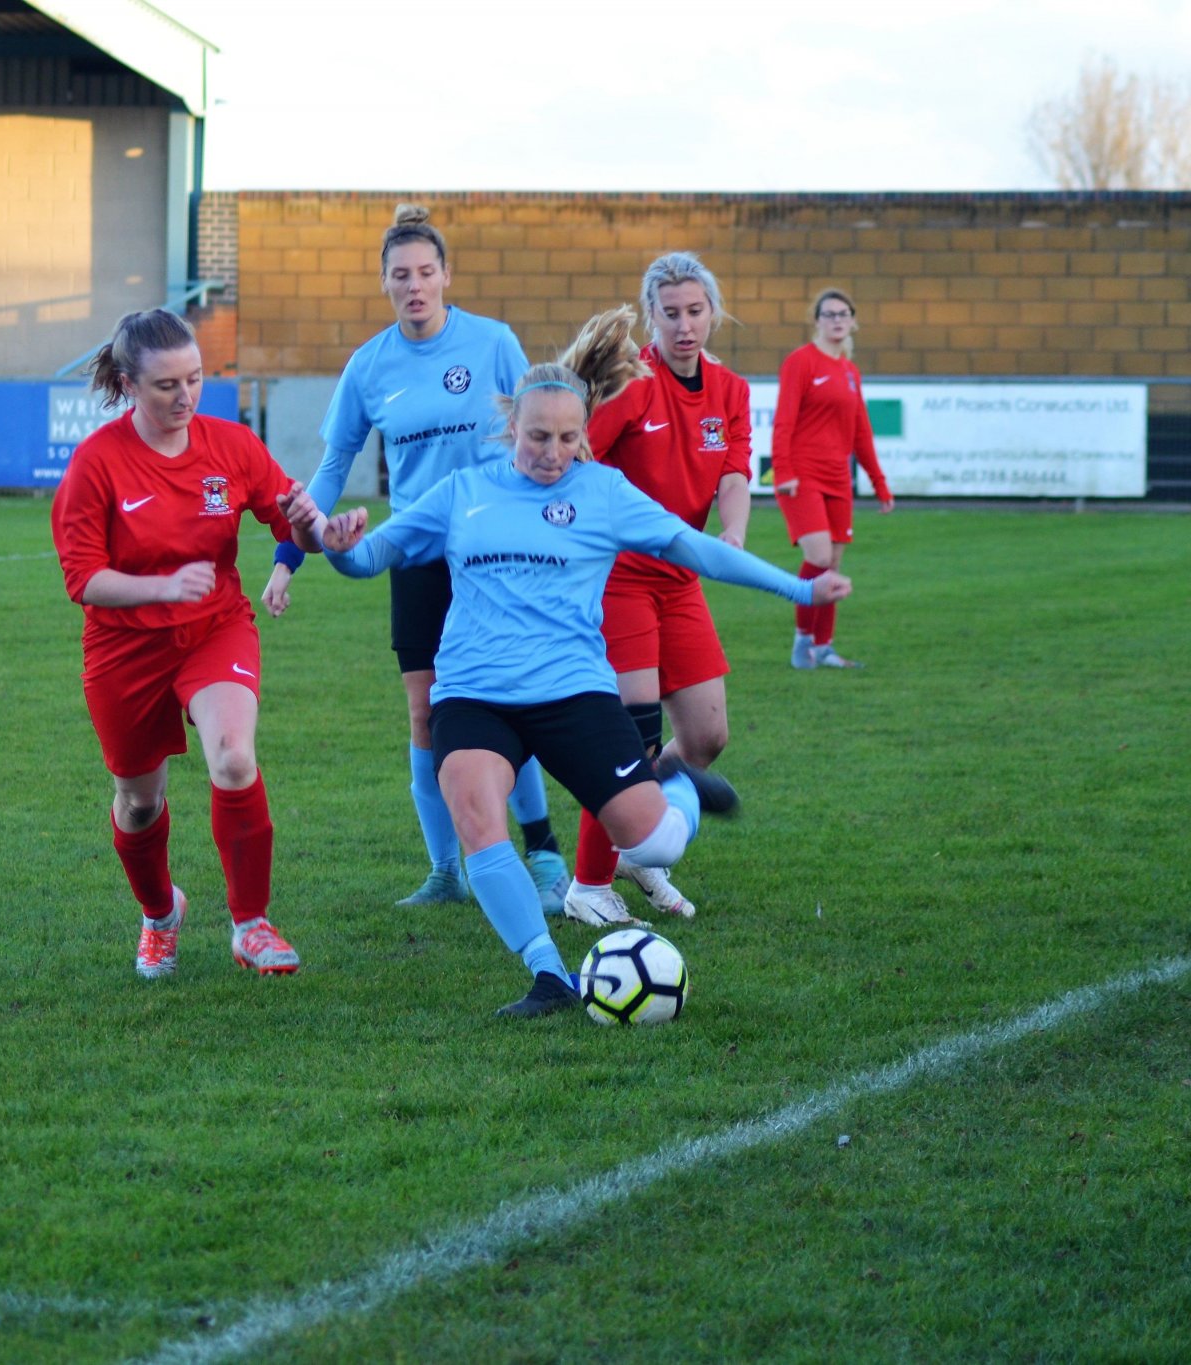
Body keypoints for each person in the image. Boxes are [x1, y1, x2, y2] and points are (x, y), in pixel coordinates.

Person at [297, 306, 851, 1019]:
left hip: (572, 693)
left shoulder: (604, 494)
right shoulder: (464, 493)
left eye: (566, 437)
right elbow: (372, 558)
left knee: (654, 839)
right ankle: (548, 974)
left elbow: (700, 550)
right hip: (475, 691)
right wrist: (339, 544)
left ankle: (677, 782)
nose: (552, 452)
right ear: (509, 428)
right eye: (536, 437)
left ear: (584, 434)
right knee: (475, 808)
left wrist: (800, 586)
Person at [260, 203, 567, 913]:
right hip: (419, 555)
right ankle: (443, 870)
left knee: (507, 703)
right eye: (401, 274)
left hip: (496, 554)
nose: (415, 285)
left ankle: (545, 855)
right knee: (427, 715)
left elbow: (544, 431)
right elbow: (334, 464)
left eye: (427, 271)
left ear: (446, 275)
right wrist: (289, 555)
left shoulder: (493, 343)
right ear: (385, 282)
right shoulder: (370, 366)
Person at [50, 308, 311, 979]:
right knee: (139, 802)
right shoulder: (97, 463)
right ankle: (161, 915)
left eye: (195, 379)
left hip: (213, 625)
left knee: (233, 757)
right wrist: (162, 586)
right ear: (131, 384)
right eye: (167, 384)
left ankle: (252, 923)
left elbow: (289, 518)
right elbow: (84, 579)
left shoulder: (230, 445)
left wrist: (317, 531)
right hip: (124, 650)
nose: (185, 396)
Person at [563, 252, 752, 927]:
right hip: (620, 578)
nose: (684, 325)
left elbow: (734, 472)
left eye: (695, 311)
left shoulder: (730, 390)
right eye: (670, 313)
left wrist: (731, 533)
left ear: (713, 313)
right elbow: (573, 456)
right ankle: (588, 884)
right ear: (651, 316)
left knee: (705, 735)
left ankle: (638, 838)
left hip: (682, 579)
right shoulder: (632, 386)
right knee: (631, 738)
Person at [772, 288, 894, 668]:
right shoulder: (801, 362)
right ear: (817, 320)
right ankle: (802, 642)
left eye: (844, 313)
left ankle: (824, 647)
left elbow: (861, 433)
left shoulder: (850, 371)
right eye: (829, 314)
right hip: (802, 476)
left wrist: (879, 483)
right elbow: (784, 420)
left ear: (853, 320)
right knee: (819, 557)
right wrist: (784, 471)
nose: (837, 319)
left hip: (839, 478)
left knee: (833, 567)